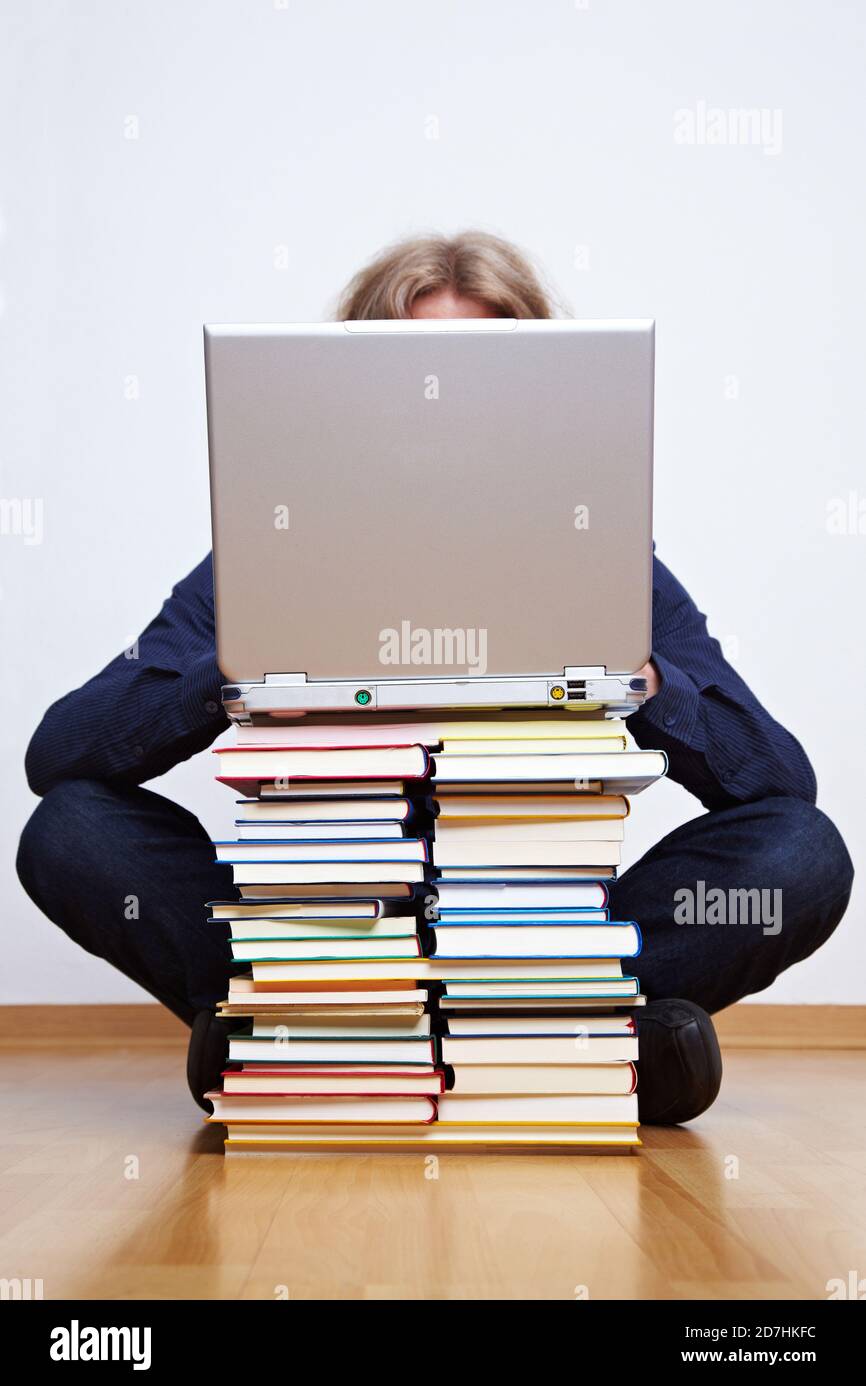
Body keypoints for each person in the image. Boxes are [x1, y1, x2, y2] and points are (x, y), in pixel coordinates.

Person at [16, 232, 853, 1125]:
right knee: (67, 831)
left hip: (540, 937)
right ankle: (572, 1048)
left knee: (801, 854)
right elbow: (60, 757)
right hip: (323, 930)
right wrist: (225, 676)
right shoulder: (263, 561)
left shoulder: (608, 562)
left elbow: (779, 784)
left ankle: (310, 1045)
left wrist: (643, 681)